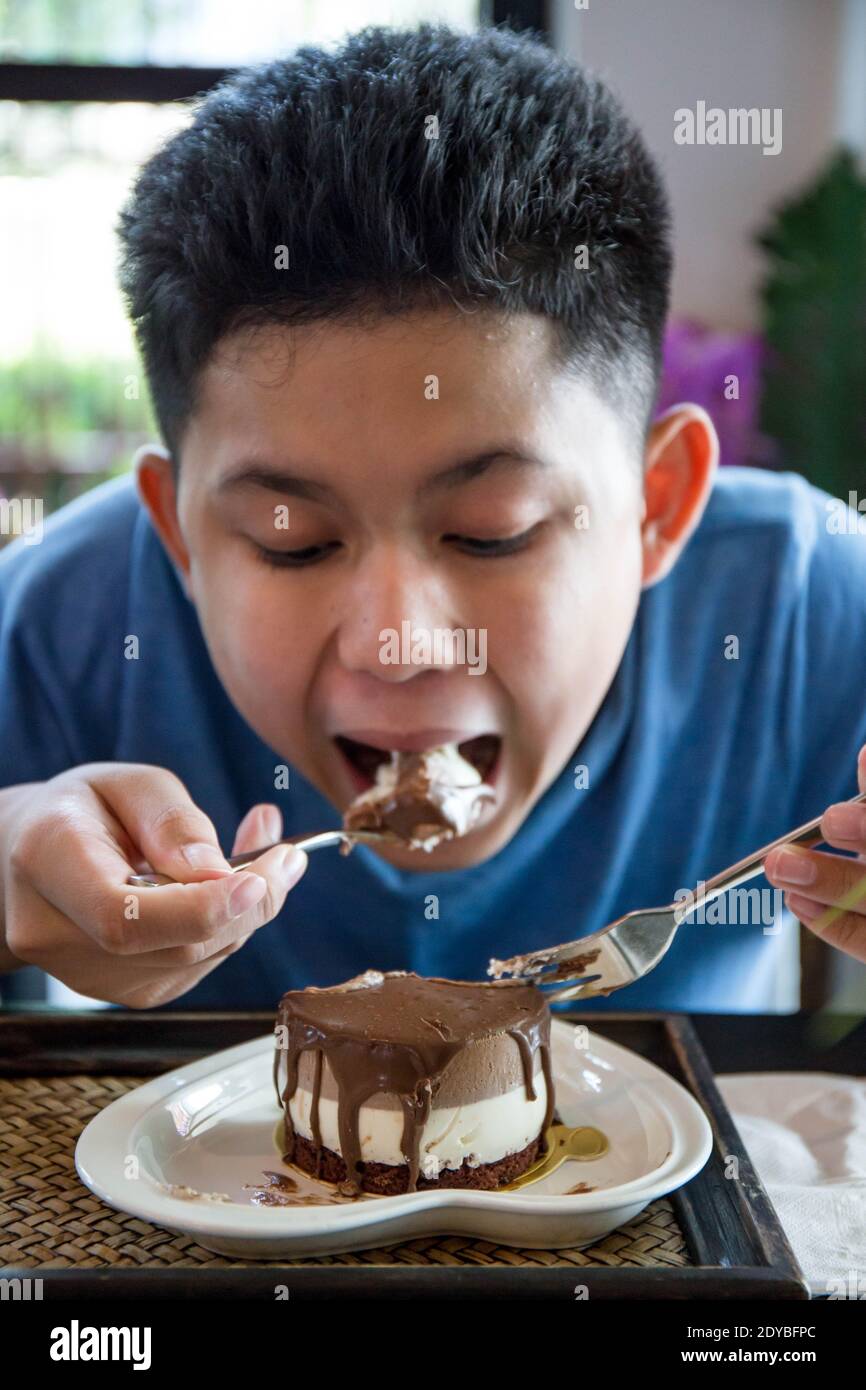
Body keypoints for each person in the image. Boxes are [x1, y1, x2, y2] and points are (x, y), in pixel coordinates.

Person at [1, 23, 865, 1014]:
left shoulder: (800, 601)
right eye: (294, 541)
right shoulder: (58, 618)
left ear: (654, 503)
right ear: (179, 530)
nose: (396, 643)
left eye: (490, 530)